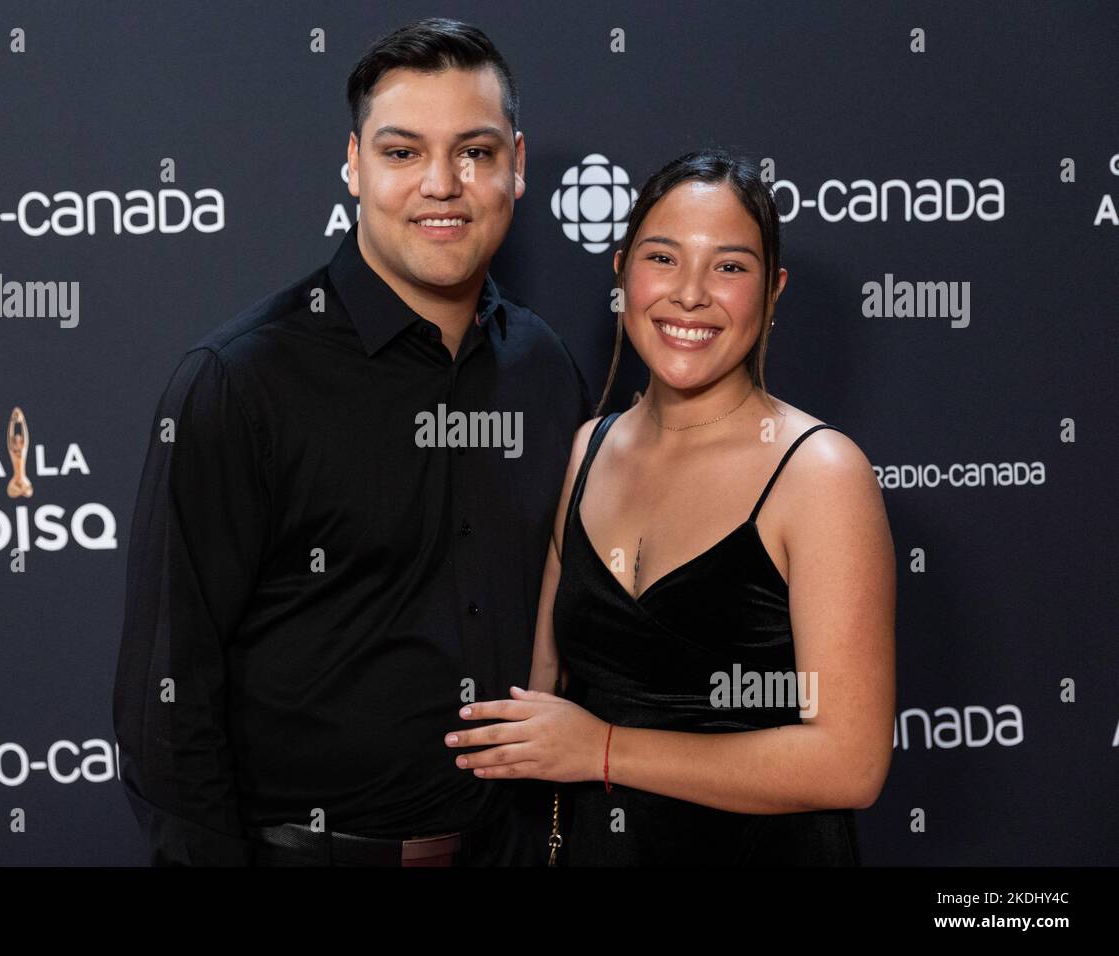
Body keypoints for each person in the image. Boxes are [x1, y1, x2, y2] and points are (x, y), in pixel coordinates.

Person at [111, 17, 591, 866]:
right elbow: (167, 698)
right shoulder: (240, 383)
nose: (442, 184)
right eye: (403, 152)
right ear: (353, 164)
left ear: (516, 166)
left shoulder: (545, 368)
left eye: (475, 152)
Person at [442, 148, 896, 865]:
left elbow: (851, 763)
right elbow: (538, 691)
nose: (690, 294)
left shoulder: (819, 473)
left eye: (730, 267)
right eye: (663, 258)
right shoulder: (588, 449)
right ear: (622, 272)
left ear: (772, 291)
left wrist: (605, 749)